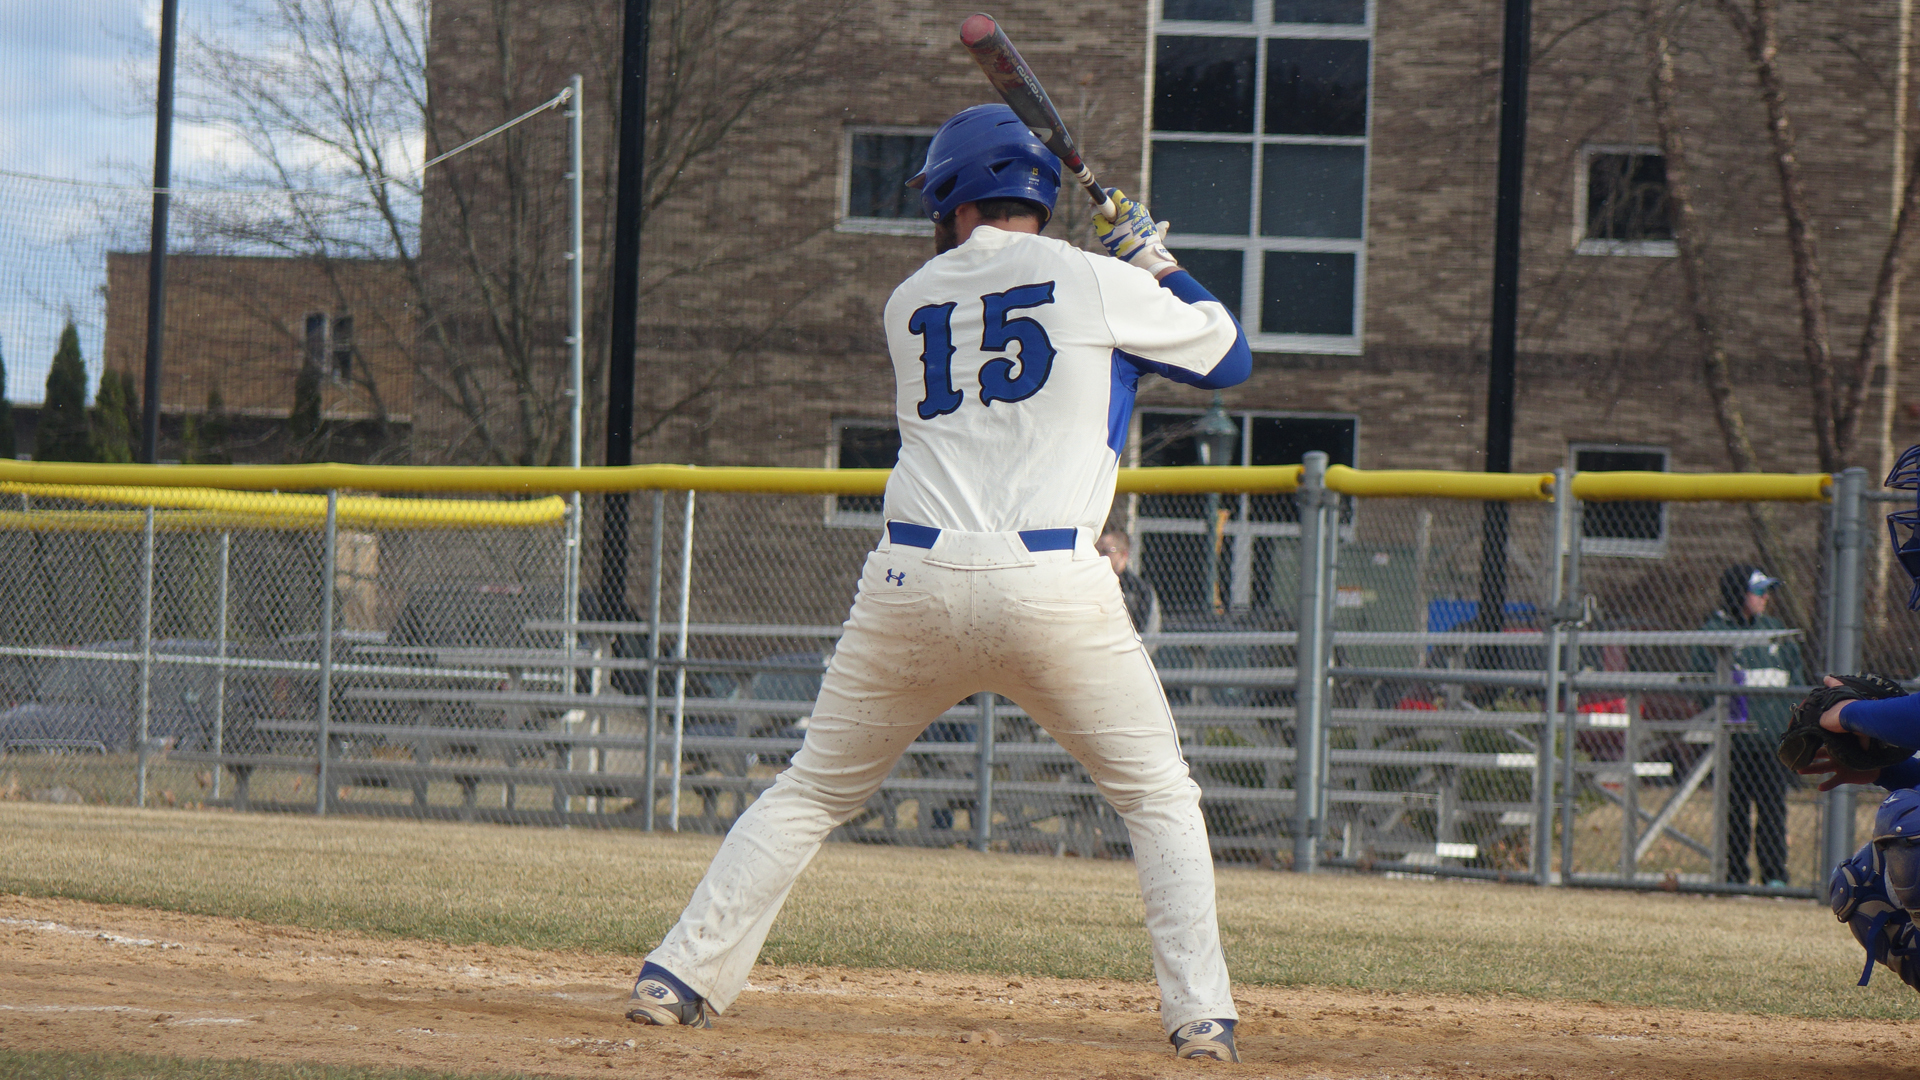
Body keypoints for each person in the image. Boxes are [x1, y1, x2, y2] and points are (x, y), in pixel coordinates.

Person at [623, 103, 1252, 1063]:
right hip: (1052, 582)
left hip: (912, 579)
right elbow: (1227, 357)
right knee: (1159, 798)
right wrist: (1152, 259)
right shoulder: (1095, 278)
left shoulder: (907, 298)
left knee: (811, 790)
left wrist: (1123, 273)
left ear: (956, 197)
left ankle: (677, 974)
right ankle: (1200, 1017)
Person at [1695, 564, 1802, 887]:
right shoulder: (1715, 631)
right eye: (1758, 591)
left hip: (1772, 742)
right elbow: (1703, 686)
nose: (1766, 597)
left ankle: (1774, 876)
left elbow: (1795, 681)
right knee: (1735, 810)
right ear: (1737, 594)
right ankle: (1735, 876)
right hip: (1735, 743)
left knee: (1773, 809)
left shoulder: (1776, 631)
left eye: (1767, 591)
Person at [1097, 527, 1161, 638]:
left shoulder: (1138, 590)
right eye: (1096, 550)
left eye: (1105, 551)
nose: (1099, 556)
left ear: (1123, 554)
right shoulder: (1089, 583)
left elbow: (1146, 630)